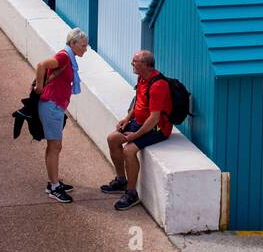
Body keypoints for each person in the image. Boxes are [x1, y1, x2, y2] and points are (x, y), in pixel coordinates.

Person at [102, 51, 173, 211]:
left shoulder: (158, 85)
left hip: (157, 128)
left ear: (146, 65)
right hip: (140, 123)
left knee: (129, 150)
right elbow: (138, 103)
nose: (132, 64)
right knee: (112, 139)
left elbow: (154, 118)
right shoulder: (142, 78)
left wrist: (135, 135)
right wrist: (126, 119)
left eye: (135, 61)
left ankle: (131, 193)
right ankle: (121, 181)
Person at [34, 28, 89, 202]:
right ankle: (54, 187)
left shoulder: (68, 57)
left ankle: (54, 182)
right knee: (54, 146)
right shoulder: (64, 57)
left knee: (55, 146)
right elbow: (41, 65)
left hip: (55, 106)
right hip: (51, 105)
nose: (85, 49)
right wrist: (40, 87)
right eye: (83, 45)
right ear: (72, 43)